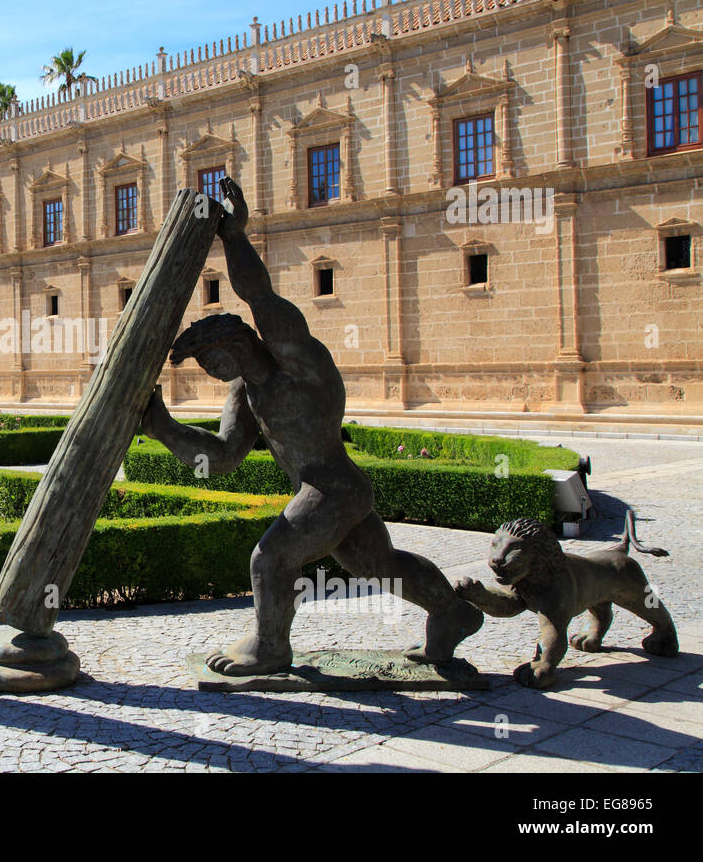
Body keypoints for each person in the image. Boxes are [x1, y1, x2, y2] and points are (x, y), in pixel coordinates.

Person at [141, 178, 483, 675]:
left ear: (233, 348)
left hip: (332, 488)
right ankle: (454, 612)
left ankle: (271, 648)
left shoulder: (301, 365)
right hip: (333, 490)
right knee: (379, 565)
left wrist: (233, 237)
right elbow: (221, 457)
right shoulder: (246, 392)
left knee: (270, 559)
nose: (208, 374)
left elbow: (261, 298)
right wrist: (163, 427)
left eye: (207, 362)